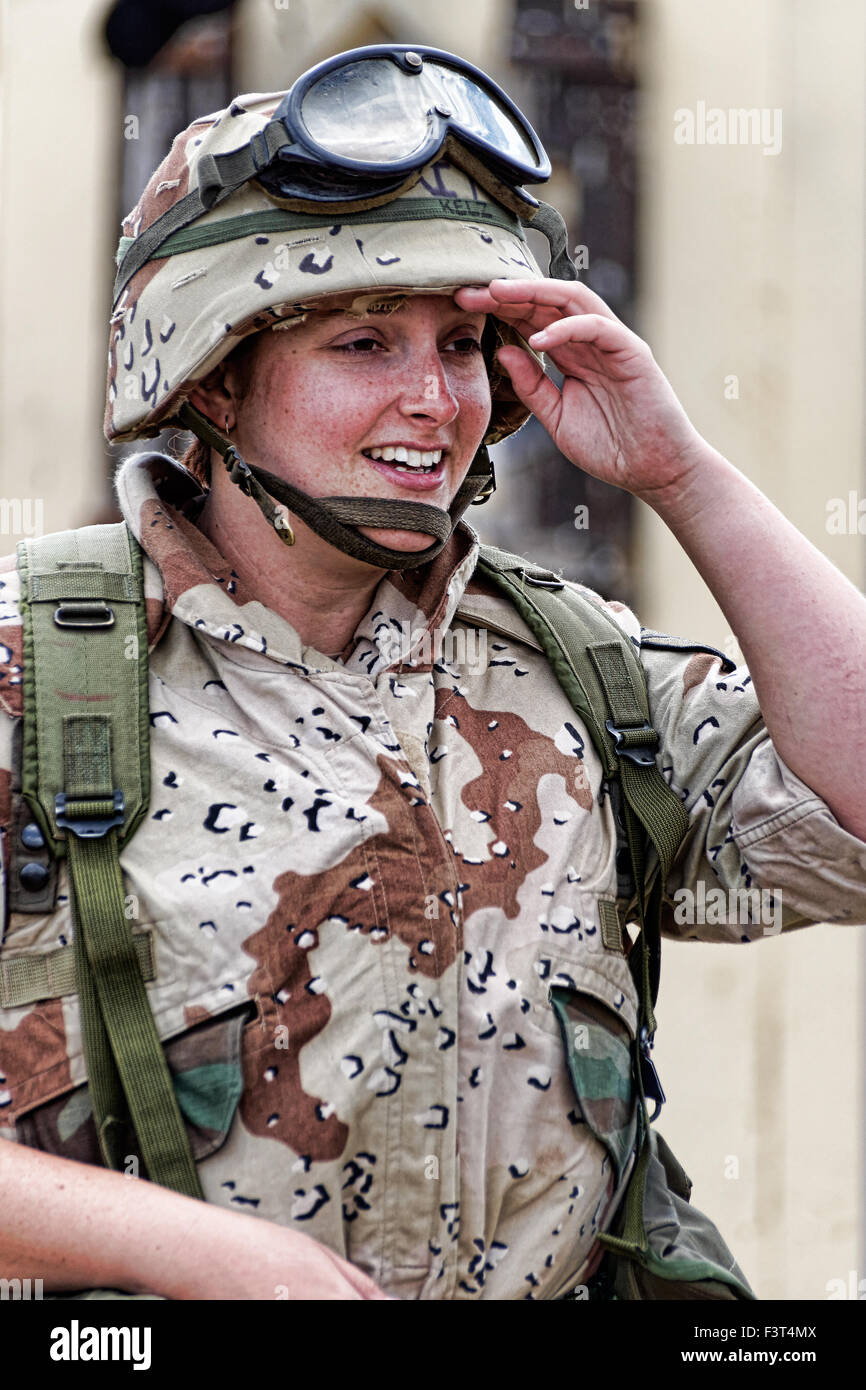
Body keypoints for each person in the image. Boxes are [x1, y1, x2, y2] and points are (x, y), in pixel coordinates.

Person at [1, 44, 865, 1303]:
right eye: (362, 342)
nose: (432, 400)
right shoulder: (41, 676)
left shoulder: (576, 672)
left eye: (461, 347)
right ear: (214, 380)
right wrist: (203, 1257)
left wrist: (681, 476)